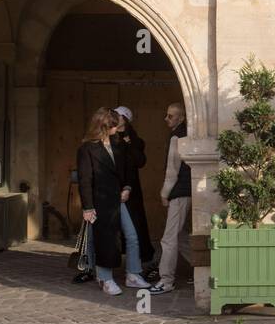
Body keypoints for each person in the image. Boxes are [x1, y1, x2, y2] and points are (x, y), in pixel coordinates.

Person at [77, 107, 150, 296]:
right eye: (113, 126)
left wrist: (127, 187)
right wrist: (87, 207)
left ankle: (133, 274)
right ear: (104, 126)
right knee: (105, 240)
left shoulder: (117, 144)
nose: (117, 129)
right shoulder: (87, 149)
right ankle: (105, 278)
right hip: (100, 201)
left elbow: (126, 170)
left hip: (119, 199)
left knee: (132, 236)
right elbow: (85, 179)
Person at [149, 102, 191, 295]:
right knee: (181, 237)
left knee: (169, 238)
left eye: (170, 116)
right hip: (187, 190)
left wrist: (164, 193)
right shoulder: (188, 133)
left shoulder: (176, 137)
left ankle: (166, 280)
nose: (166, 119)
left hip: (180, 192)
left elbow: (172, 170)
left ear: (181, 118)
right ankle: (202, 269)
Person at [113, 105, 157, 280]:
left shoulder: (135, 140)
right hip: (112, 186)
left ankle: (139, 260)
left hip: (130, 187)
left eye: (118, 115)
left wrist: (128, 145)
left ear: (125, 119)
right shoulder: (109, 136)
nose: (115, 117)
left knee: (134, 224)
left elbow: (140, 161)